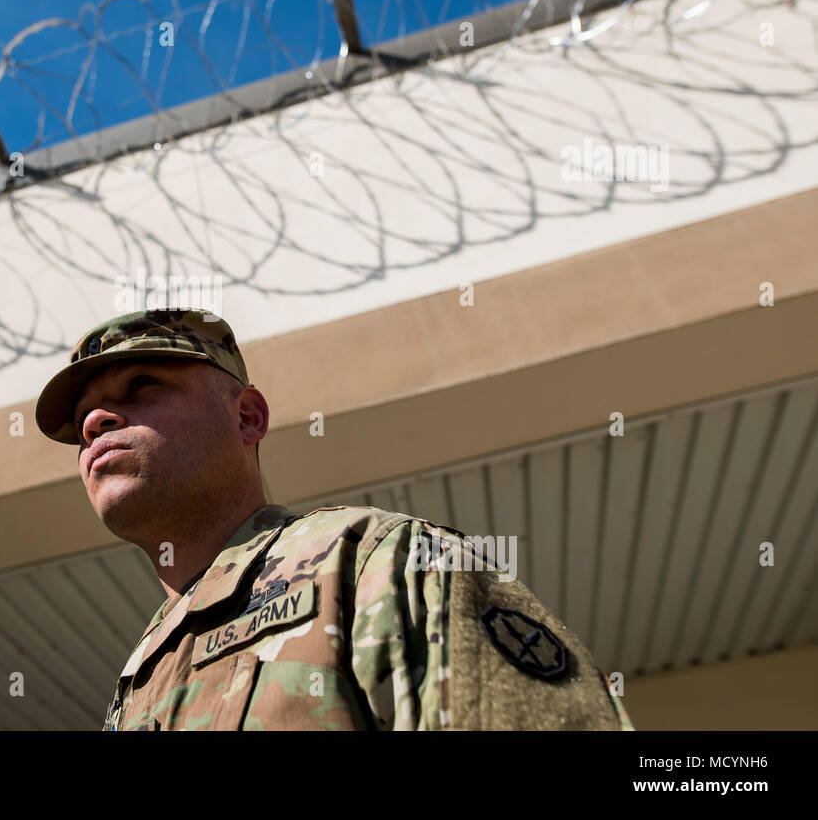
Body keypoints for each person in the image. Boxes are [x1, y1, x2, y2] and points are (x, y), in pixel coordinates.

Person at [35, 308, 633, 730]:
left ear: (247, 418)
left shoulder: (375, 561)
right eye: (85, 415)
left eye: (141, 384)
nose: (95, 423)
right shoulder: (141, 672)